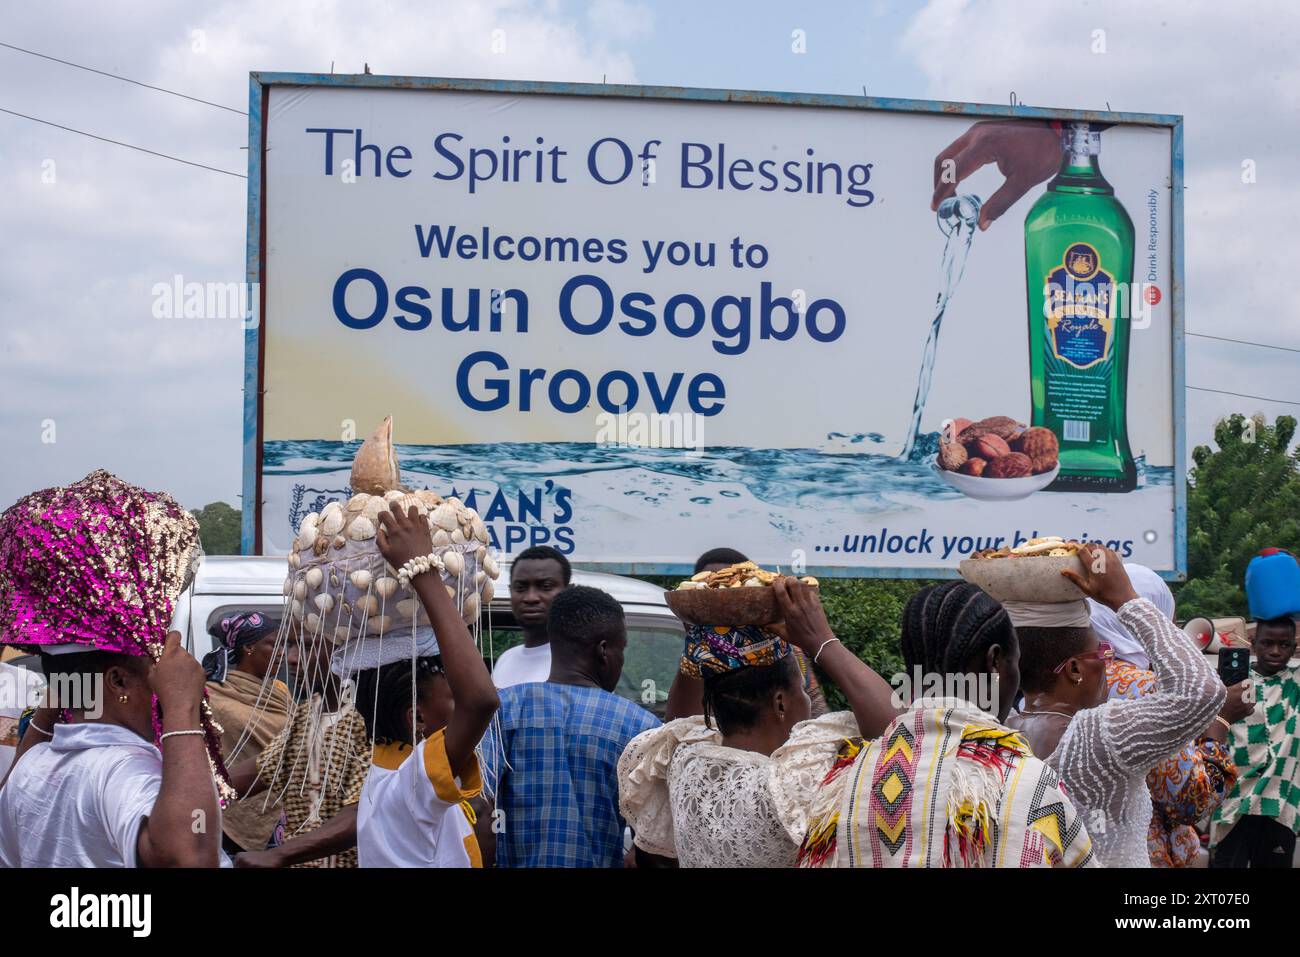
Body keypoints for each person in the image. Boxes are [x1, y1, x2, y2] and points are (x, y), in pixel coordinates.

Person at [772, 580, 1095, 868]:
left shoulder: (844, 777)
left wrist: (823, 642)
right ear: (995, 660)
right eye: (1014, 662)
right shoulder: (1026, 782)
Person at [0, 469, 227, 868]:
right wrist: (180, 708)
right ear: (119, 680)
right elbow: (189, 859)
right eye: (153, 665)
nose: (163, 675)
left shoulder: (35, 766)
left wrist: (62, 698)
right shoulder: (120, 768)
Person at [618, 578, 899, 866]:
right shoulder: (795, 779)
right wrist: (822, 640)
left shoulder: (687, 763)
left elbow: (679, 720)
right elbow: (898, 733)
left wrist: (704, 636)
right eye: (802, 689)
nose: (806, 698)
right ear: (780, 702)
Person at [1005, 544, 1225, 867]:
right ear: (1075, 670)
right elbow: (1202, 691)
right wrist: (1125, 599)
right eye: (1101, 655)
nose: (1109, 664)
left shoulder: (1001, 732)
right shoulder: (1096, 736)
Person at [349, 502, 500, 867]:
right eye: (452, 695)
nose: (461, 699)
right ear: (417, 718)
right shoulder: (410, 784)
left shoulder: (396, 778)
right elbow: (480, 700)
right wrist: (423, 571)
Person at [483, 585, 659, 867]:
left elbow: (480, 807)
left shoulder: (504, 710)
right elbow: (652, 842)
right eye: (621, 649)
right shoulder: (641, 726)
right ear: (604, 650)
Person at [1087, 564, 1245, 867]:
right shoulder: (1146, 687)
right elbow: (1191, 800)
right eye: (1167, 622)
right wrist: (1221, 720)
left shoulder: (1079, 673)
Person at [226, 627, 370, 868]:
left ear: (343, 648)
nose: (291, 658)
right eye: (290, 646)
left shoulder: (369, 717)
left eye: (304, 646)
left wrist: (277, 856)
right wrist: (190, 792)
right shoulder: (307, 712)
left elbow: (361, 814)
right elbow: (260, 771)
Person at [665, 548, 827, 719]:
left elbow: (816, 714)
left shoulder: (786, 650)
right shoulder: (697, 657)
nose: (721, 594)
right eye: (710, 585)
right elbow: (678, 725)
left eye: (731, 584)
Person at [1211, 616, 1300, 867]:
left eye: (1284, 645)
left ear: (1294, 648)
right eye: (1267, 643)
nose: (1275, 651)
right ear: (1252, 644)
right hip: (1232, 803)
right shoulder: (1230, 683)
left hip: (1279, 805)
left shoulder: (1296, 683)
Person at [204, 611, 292, 855]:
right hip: (238, 812)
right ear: (249, 647)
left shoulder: (280, 691)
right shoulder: (214, 695)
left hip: (285, 811)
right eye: (273, 644)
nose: (282, 653)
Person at [490, 545, 571, 688]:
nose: (531, 597)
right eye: (520, 588)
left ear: (568, 591)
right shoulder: (506, 659)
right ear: (511, 591)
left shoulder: (578, 663)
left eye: (545, 586)